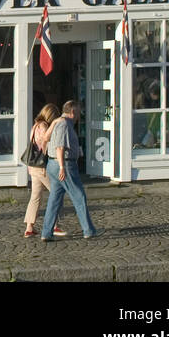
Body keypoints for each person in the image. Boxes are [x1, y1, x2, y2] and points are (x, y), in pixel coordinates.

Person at [41, 99, 98, 241]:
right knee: (79, 196)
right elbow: (60, 146)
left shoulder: (59, 123)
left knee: (54, 199)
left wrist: (53, 123)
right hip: (64, 165)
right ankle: (88, 230)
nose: (80, 115)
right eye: (78, 112)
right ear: (72, 112)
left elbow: (45, 138)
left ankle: (46, 233)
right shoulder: (65, 125)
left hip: (53, 164)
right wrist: (62, 167)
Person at [23, 104, 67, 237]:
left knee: (35, 197)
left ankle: (29, 227)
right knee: (57, 193)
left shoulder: (35, 125)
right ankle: (54, 225)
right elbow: (46, 142)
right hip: (42, 167)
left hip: (33, 167)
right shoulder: (44, 126)